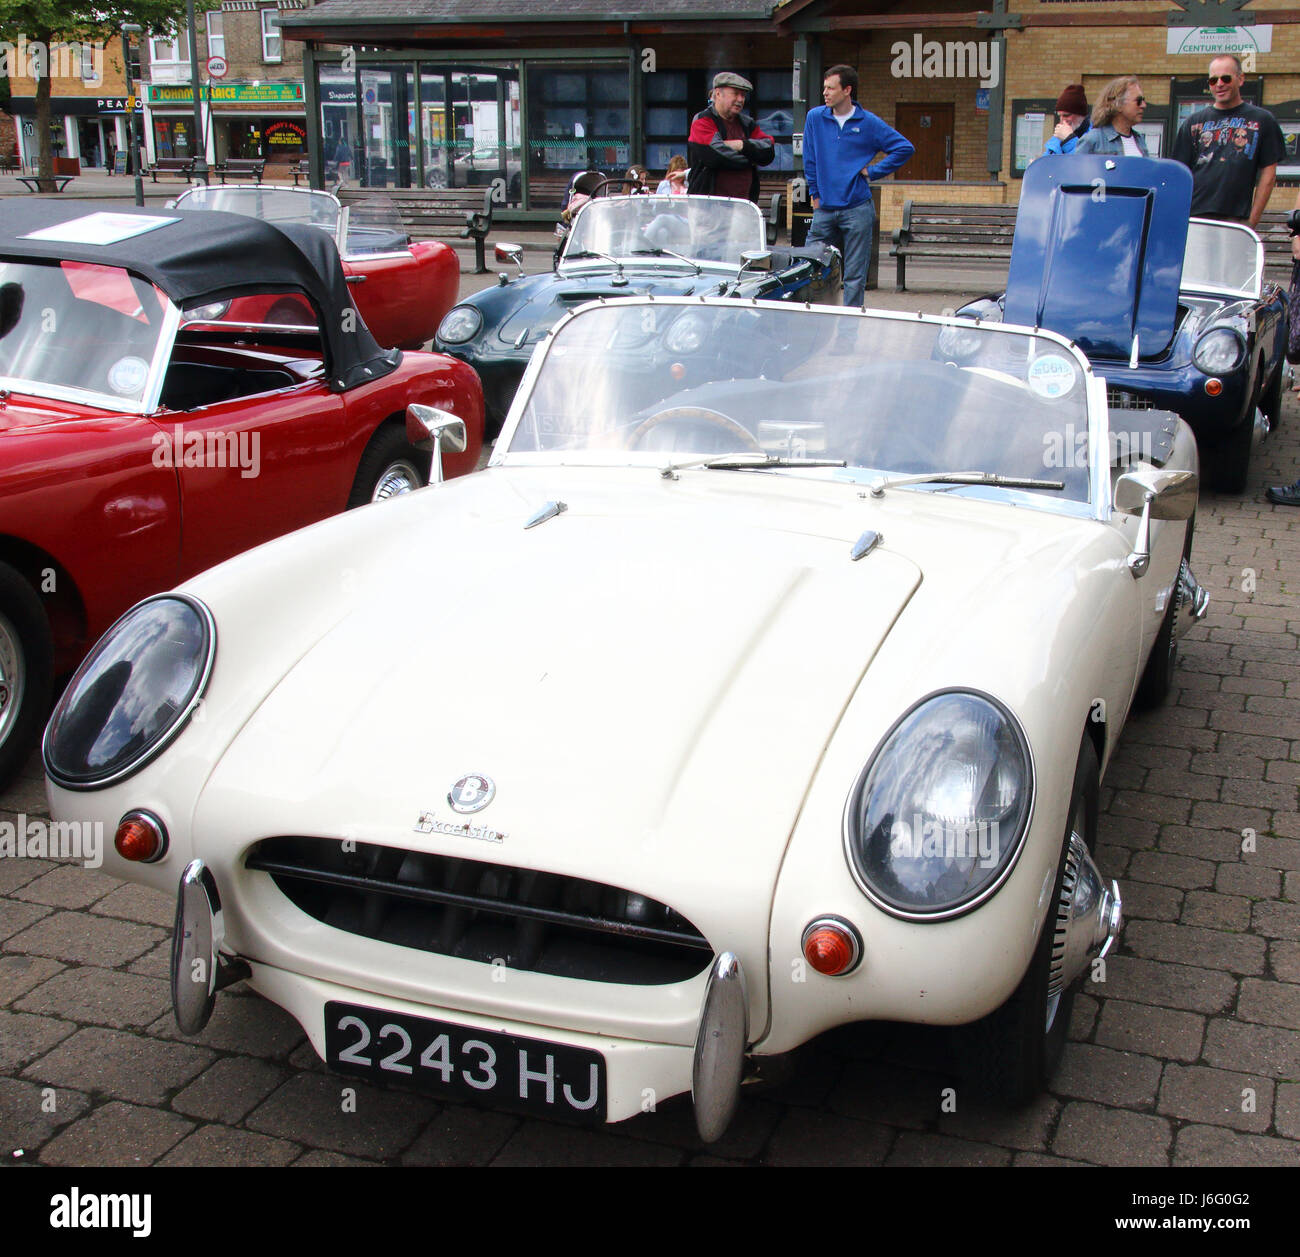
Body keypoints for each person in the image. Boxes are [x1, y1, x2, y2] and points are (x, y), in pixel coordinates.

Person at [802, 63, 913, 309]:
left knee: (854, 276)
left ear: (847, 90)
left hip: (857, 209)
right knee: (808, 266)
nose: (825, 93)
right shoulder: (815, 118)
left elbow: (904, 148)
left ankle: (849, 332)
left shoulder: (868, 122)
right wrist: (815, 193)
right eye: (824, 88)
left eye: (831, 88)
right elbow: (809, 158)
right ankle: (812, 321)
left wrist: (873, 171)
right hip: (824, 209)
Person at [1171, 55, 1285, 229]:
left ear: (1240, 79)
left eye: (1226, 78)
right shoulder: (1192, 122)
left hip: (1235, 220)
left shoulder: (1263, 120)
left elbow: (1268, 175)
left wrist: (1251, 222)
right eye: (1213, 80)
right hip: (1195, 218)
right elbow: (1179, 175)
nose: (1219, 84)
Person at [686, 71, 774, 202]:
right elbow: (715, 156)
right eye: (736, 94)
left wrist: (741, 145)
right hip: (707, 207)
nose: (740, 100)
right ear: (718, 94)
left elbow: (768, 150)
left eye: (743, 95)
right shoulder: (703, 121)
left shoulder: (747, 123)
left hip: (743, 205)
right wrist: (752, 158)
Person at [1074, 77, 1149, 156]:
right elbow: (1077, 167)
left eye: (1144, 100)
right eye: (1139, 101)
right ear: (1118, 104)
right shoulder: (1093, 140)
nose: (1143, 105)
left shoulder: (1139, 139)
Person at [1045, 84, 1090, 155]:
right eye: (1060, 116)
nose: (1062, 120)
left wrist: (1069, 140)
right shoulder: (1056, 139)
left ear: (1081, 115)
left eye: (1066, 115)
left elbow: (1085, 162)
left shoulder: (1096, 136)